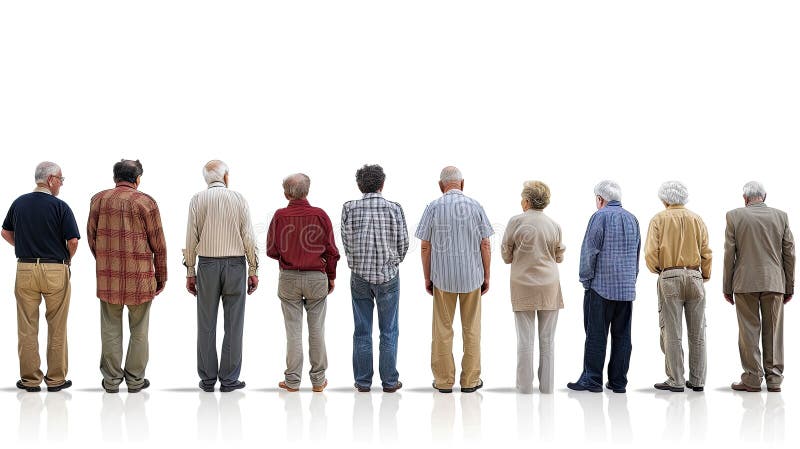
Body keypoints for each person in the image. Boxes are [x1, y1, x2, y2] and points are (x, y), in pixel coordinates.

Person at [88, 159, 167, 393]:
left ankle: (111, 381)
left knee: (110, 330)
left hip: (108, 278)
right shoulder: (146, 202)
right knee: (140, 331)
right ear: (138, 179)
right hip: (141, 279)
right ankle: (135, 380)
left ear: (115, 178)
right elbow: (158, 244)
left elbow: (92, 237)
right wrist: (161, 276)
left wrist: (105, 261)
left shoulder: (99, 199)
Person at [2, 161, 79, 393]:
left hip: (25, 268)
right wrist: (66, 259)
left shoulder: (19, 203)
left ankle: (30, 380)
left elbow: (5, 232)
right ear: (51, 180)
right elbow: (73, 241)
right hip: (55, 268)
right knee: (57, 326)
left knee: (26, 326)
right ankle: (55, 380)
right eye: (61, 180)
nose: (61, 185)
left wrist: (23, 247)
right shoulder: (60, 206)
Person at [415, 166, 493, 394]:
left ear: (441, 186)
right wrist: (487, 276)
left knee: (442, 330)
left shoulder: (433, 207)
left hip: (443, 278)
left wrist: (427, 277)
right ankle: (470, 381)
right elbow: (485, 244)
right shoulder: (476, 206)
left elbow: (425, 246)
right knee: (472, 329)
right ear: (463, 183)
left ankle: (443, 382)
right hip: (472, 277)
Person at [184, 160, 259, 393]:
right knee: (234, 324)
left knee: (205, 324)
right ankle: (229, 379)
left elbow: (191, 237)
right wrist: (253, 269)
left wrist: (190, 271)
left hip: (206, 265)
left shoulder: (197, 199)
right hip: (236, 265)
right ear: (226, 177)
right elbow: (249, 236)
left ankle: (207, 380)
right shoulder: (239, 199)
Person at [267, 173, 339, 393]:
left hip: (289, 278)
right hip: (317, 277)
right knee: (317, 329)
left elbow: (271, 250)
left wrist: (287, 257)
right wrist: (331, 276)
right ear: (307, 191)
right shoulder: (320, 215)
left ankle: (292, 381)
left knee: (293, 331)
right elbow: (332, 252)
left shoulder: (280, 216)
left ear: (286, 193)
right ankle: (318, 381)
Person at [567, 180, 640, 394]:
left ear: (600, 199)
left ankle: (592, 379)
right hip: (626, 289)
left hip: (601, 287)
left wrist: (585, 280)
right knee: (623, 336)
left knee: (596, 334)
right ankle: (618, 382)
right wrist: (631, 281)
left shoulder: (599, 216)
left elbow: (590, 251)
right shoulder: (633, 219)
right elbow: (636, 255)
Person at [341, 164, 409, 393]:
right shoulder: (394, 208)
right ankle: (389, 382)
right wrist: (393, 261)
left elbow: (347, 242)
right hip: (388, 276)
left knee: (362, 330)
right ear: (382, 184)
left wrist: (356, 264)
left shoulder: (349, 208)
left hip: (359, 275)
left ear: (360, 186)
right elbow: (403, 243)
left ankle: (363, 382)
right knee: (389, 330)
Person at [723, 181, 794, 392]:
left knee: (748, 331)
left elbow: (729, 254)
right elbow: (789, 254)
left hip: (744, 282)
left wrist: (727, 286)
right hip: (774, 282)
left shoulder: (734, 216)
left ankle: (753, 378)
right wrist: (789, 286)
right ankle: (774, 380)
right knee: (773, 330)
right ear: (764, 196)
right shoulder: (781, 216)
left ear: (745, 198)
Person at [644, 181, 711, 393]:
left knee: (672, 331)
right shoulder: (697, 219)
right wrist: (704, 274)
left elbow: (650, 253)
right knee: (698, 332)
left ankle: (676, 379)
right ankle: (697, 380)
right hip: (694, 276)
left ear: (665, 199)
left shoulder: (658, 219)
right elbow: (706, 251)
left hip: (670, 276)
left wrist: (660, 270)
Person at [501, 180, 564, 394]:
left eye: (522, 197)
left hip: (522, 286)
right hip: (549, 286)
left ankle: (524, 387)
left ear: (527, 201)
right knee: (547, 340)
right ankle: (547, 387)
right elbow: (559, 256)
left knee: (524, 340)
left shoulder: (515, 222)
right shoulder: (554, 225)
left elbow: (506, 256)